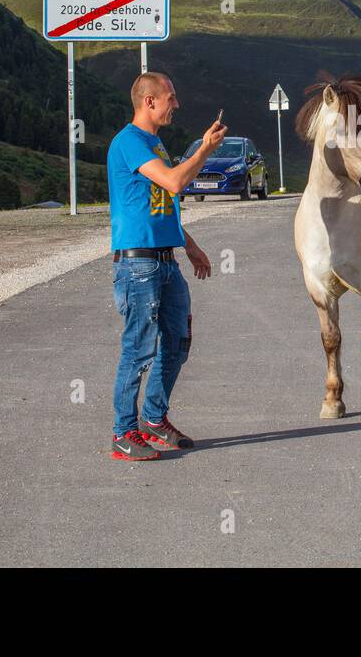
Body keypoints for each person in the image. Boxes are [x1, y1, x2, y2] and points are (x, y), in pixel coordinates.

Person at [106, 71, 226, 461]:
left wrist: (188, 245)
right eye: (170, 97)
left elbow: (163, 203)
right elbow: (175, 183)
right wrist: (204, 150)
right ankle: (123, 433)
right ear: (149, 102)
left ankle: (154, 421)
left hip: (165, 259)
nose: (176, 104)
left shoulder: (155, 143)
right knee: (139, 350)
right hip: (138, 264)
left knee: (177, 343)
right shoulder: (129, 142)